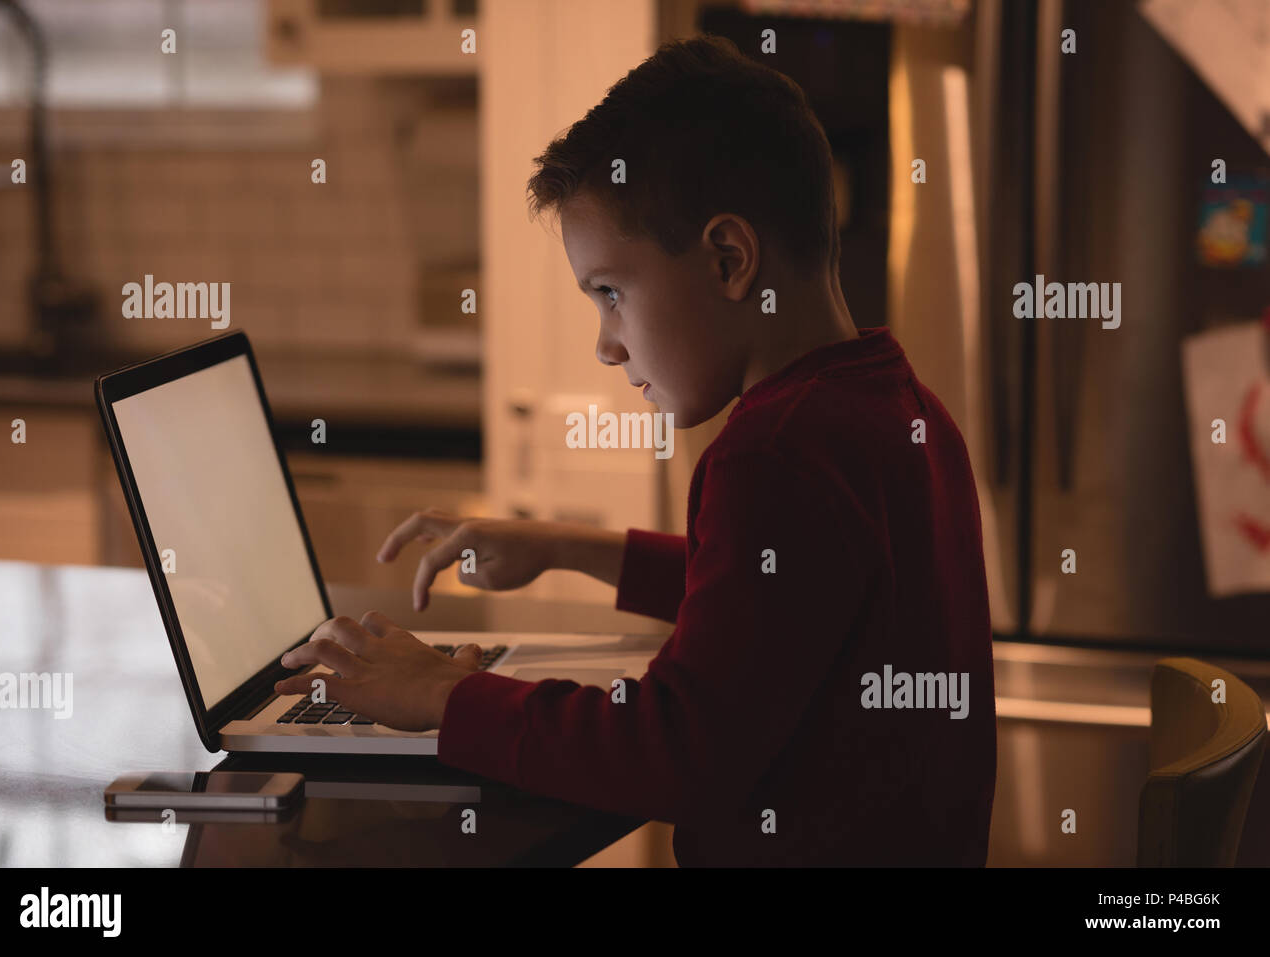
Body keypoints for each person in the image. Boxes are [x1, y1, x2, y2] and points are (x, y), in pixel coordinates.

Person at [275, 34, 996, 866]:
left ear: (729, 258)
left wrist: (445, 693)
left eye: (612, 294)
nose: (607, 347)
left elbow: (672, 749)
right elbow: (782, 596)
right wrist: (565, 546)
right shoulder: (897, 402)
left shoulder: (775, 453)